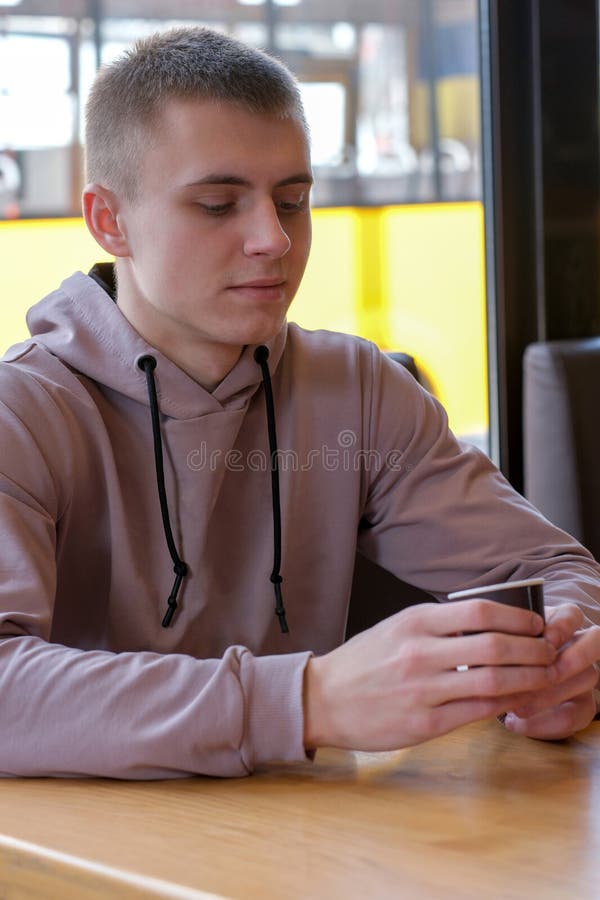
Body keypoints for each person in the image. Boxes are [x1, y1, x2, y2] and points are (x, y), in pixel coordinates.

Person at [1, 26, 599, 780]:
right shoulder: (21, 411)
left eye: (294, 200)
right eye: (219, 205)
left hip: (311, 853)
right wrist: (307, 700)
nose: (273, 240)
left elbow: (552, 567)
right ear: (108, 221)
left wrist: (570, 656)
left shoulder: (360, 389)